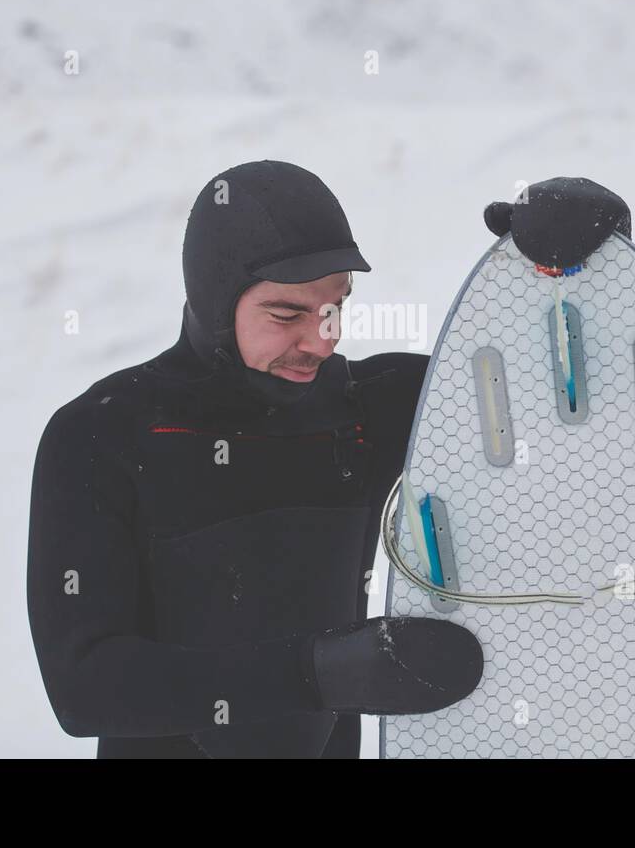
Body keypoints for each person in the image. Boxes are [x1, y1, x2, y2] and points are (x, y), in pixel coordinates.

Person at [27, 160, 483, 758]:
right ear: (218, 301)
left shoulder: (369, 413)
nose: (322, 339)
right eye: (287, 314)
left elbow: (526, 392)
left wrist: (561, 257)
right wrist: (315, 674)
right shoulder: (103, 434)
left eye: (335, 306)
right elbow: (84, 686)